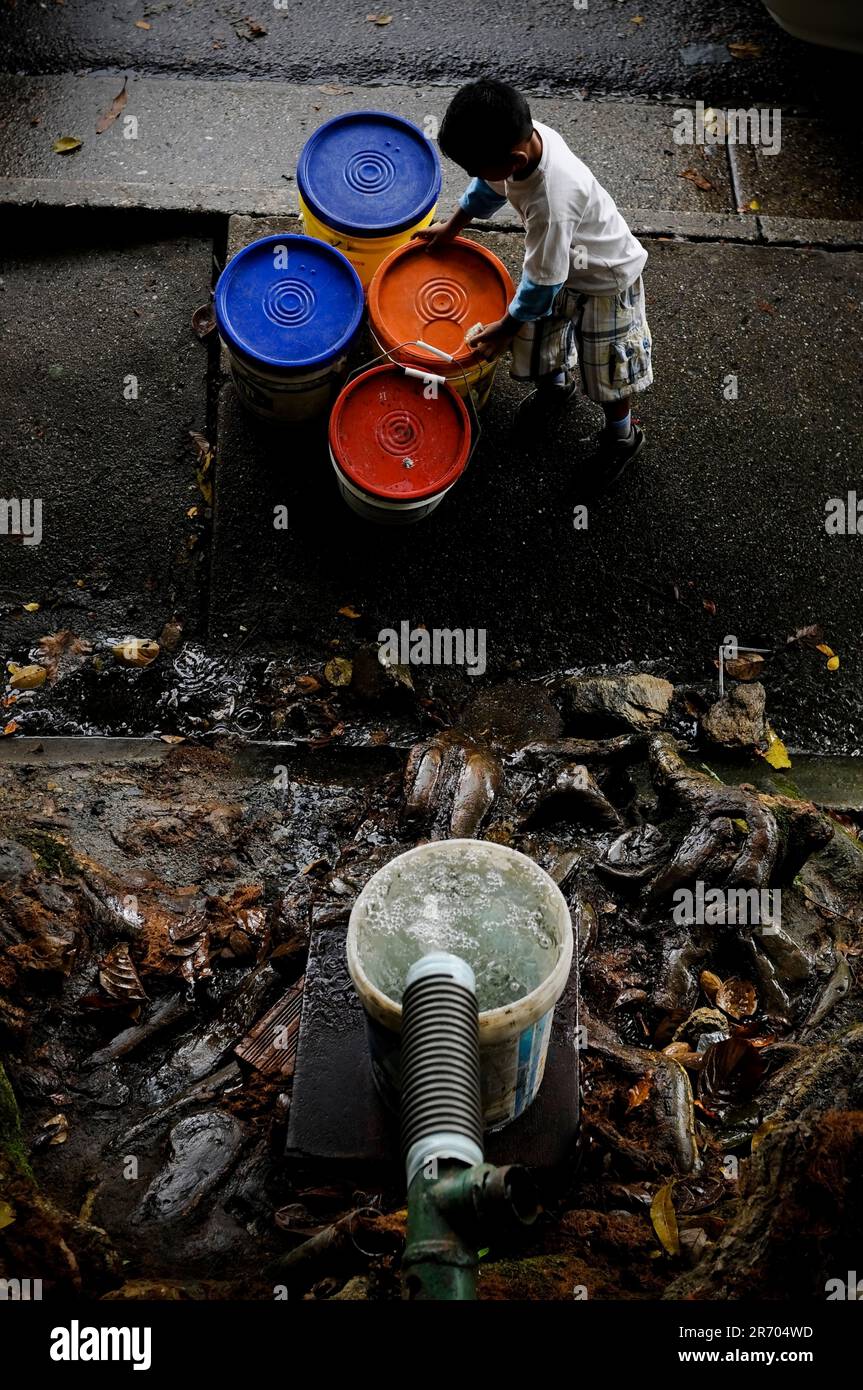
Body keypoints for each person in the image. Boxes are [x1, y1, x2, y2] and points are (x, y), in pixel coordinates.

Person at [415, 78, 653, 488]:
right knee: (542, 338)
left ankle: (622, 436)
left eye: (475, 166)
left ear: (512, 159)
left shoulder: (552, 200)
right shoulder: (522, 142)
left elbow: (543, 282)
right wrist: (452, 228)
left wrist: (505, 329)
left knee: (608, 372)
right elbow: (488, 188)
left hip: (605, 279)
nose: (473, 174)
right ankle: (557, 389)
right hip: (559, 266)